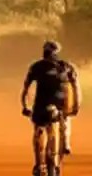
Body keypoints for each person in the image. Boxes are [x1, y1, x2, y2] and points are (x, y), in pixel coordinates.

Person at [21, 40, 80, 176]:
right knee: (61, 127)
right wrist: (76, 105)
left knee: (38, 132)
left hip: (40, 108)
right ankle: (63, 149)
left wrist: (25, 106)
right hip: (59, 109)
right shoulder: (67, 67)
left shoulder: (36, 67)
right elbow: (76, 86)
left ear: (44, 52)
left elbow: (25, 89)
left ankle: (38, 164)